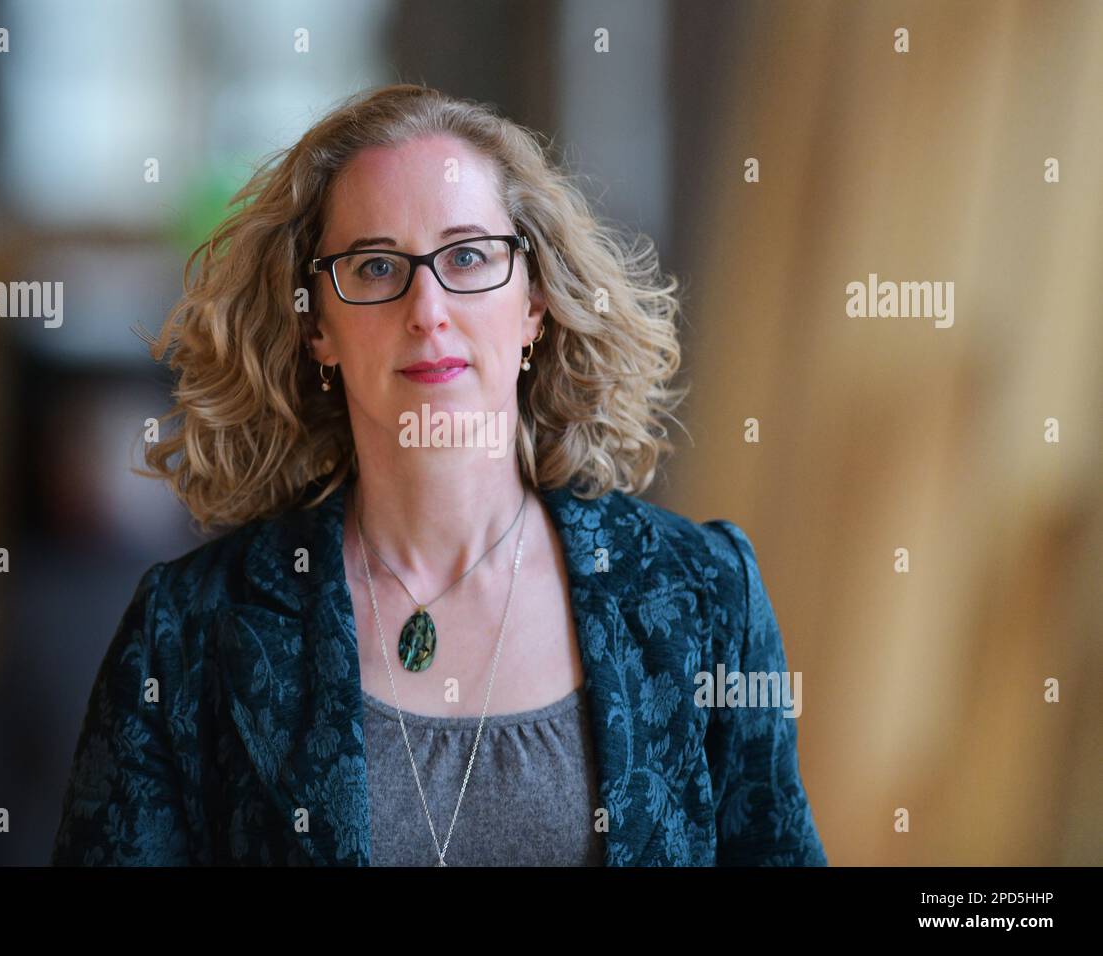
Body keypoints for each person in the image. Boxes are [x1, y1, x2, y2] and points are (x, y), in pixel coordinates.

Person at [51, 83, 827, 867]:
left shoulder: (703, 596)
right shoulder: (187, 631)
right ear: (316, 324)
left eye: (467, 257)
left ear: (534, 304)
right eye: (377, 266)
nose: (428, 309)